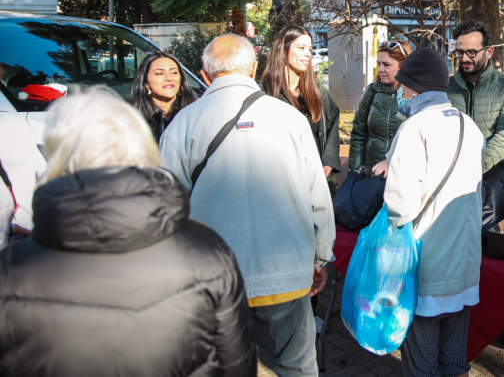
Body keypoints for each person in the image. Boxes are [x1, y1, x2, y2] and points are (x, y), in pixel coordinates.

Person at [0, 87, 255, 377]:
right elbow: (237, 363)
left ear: (57, 155)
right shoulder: (207, 251)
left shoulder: (11, 269)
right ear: (140, 149)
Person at [161, 34, 335, 377]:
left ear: (205, 75)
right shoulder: (291, 119)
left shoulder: (183, 123)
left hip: (214, 277)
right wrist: (319, 258)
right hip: (287, 268)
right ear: (254, 68)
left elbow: (166, 208)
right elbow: (319, 198)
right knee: (298, 364)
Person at [383, 47, 484, 377]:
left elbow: (401, 206)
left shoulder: (414, 128)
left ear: (413, 87)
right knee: (454, 361)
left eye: (403, 84)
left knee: (421, 364)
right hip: (465, 262)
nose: (400, 91)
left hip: (426, 266)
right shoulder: (469, 125)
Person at [262, 25, 341, 195]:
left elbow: (332, 119)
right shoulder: (265, 92)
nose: (308, 53)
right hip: (282, 183)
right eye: (301, 48)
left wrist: (329, 160)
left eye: (310, 48)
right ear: (283, 51)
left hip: (317, 179)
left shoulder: (315, 88)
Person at [447, 20, 504, 174]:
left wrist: (469, 170)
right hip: (453, 176)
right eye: (460, 52)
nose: (464, 58)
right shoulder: (446, 87)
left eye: (471, 52)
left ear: (489, 52)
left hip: (499, 176)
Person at [349, 39, 413, 176]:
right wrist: (355, 172)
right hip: (371, 176)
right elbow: (358, 135)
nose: (380, 70)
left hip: (403, 177)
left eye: (386, 64)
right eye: (379, 64)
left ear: (403, 65)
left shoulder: (416, 95)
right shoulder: (372, 91)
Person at [130, 50, 198, 143]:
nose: (169, 78)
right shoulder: (132, 117)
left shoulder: (195, 112)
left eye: (174, 72)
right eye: (159, 73)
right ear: (146, 83)